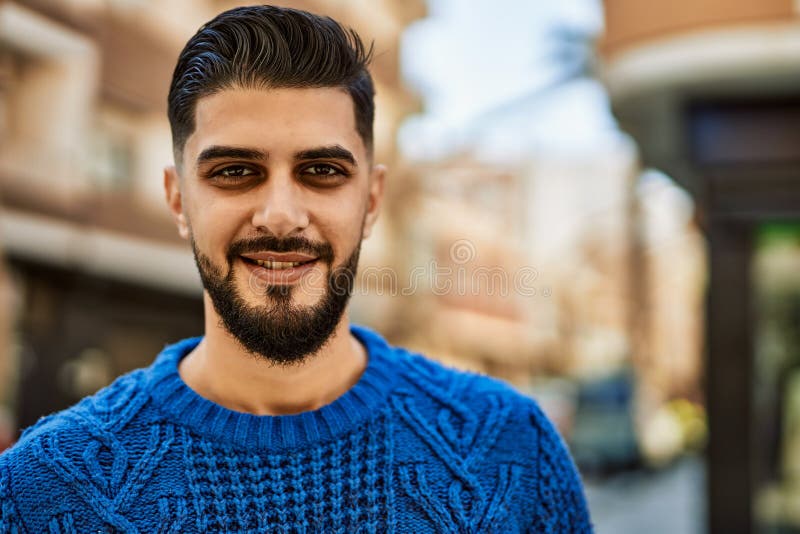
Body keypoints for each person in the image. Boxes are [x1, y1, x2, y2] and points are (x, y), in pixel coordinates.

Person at [0, 5, 592, 532]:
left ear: (372, 200)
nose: (281, 216)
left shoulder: (513, 450)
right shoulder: (42, 487)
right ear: (178, 199)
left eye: (322, 172)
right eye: (235, 171)